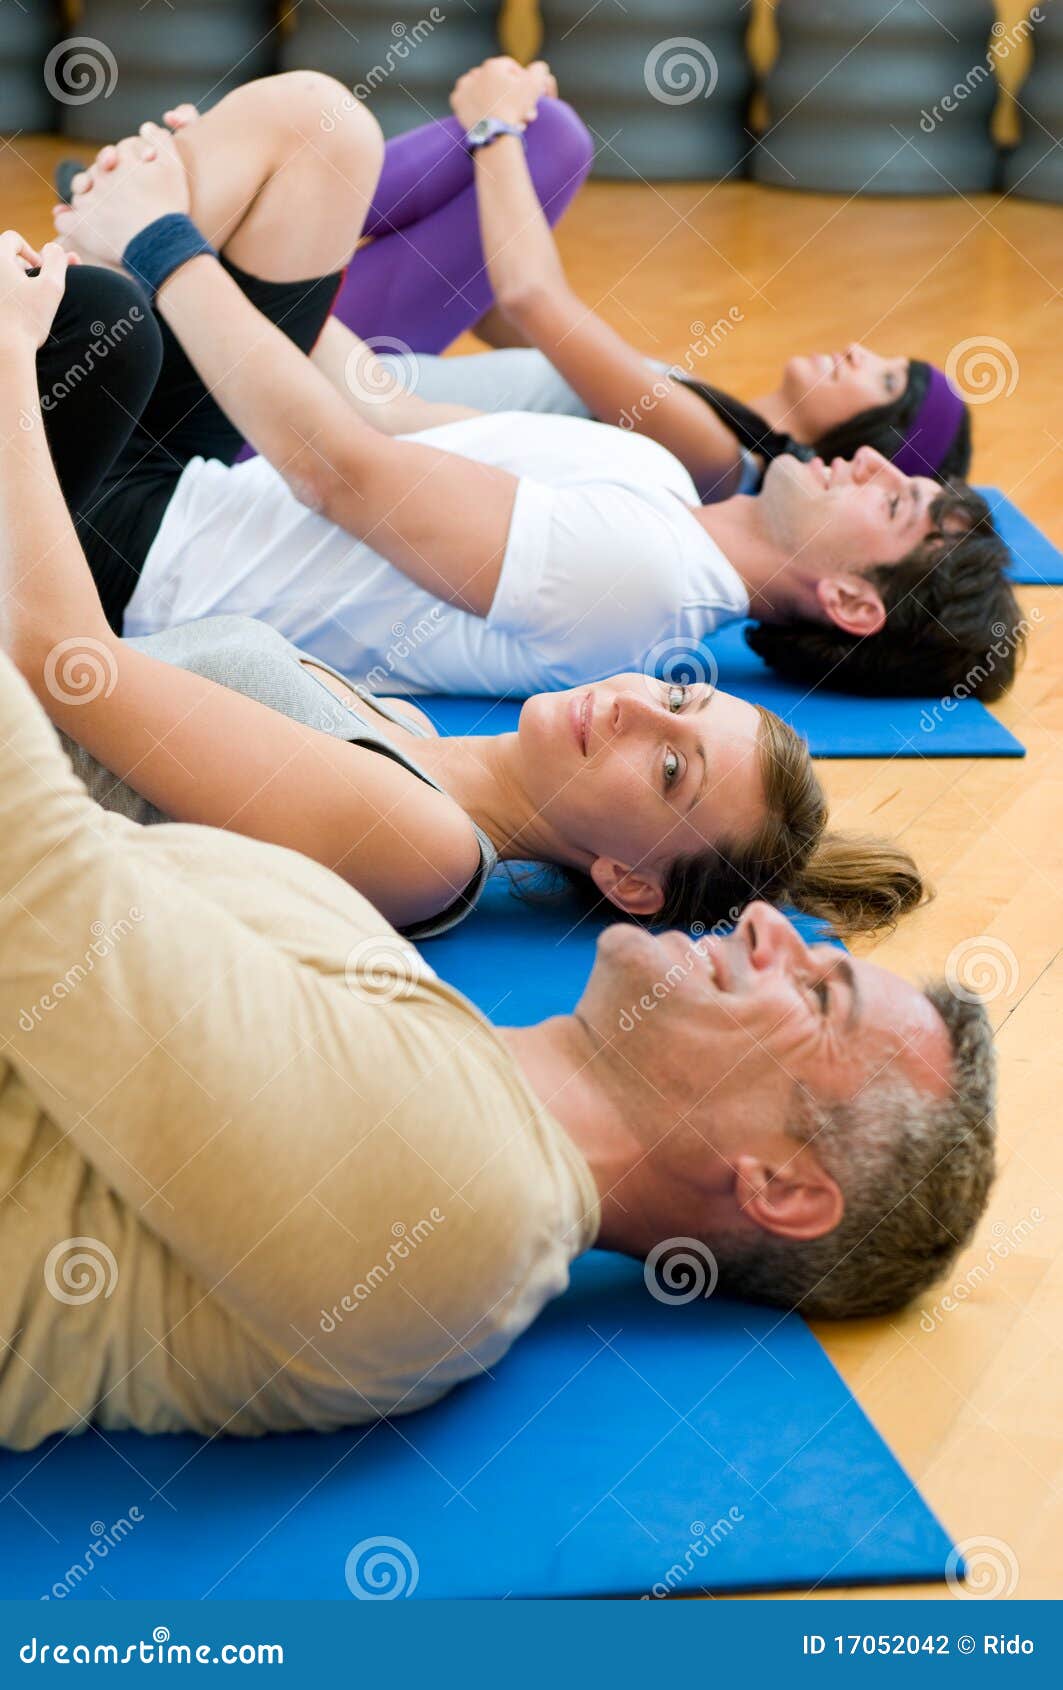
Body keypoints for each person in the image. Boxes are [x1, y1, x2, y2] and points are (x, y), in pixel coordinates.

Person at [0, 544, 997, 1452]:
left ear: (779, 1183)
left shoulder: (465, 1194)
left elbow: (34, 880)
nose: (775, 930)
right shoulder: (453, 1064)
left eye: (816, 997)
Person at [4, 237, 921, 940]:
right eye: (679, 695)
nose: (635, 711)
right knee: (105, 324)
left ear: (627, 881)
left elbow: (61, 664)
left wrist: (10, 355)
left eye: (671, 767)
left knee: (91, 325)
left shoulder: (429, 847)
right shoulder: (413, 734)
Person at [53, 68, 1021, 705]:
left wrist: (165, 242)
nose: (861, 462)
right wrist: (216, 226)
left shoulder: (642, 582)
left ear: (852, 601)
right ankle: (83, 254)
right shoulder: (663, 490)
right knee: (320, 129)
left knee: (109, 325)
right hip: (187, 480)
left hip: (132, 554)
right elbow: (391, 411)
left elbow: (339, 473)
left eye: (891, 501)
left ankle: (75, 266)